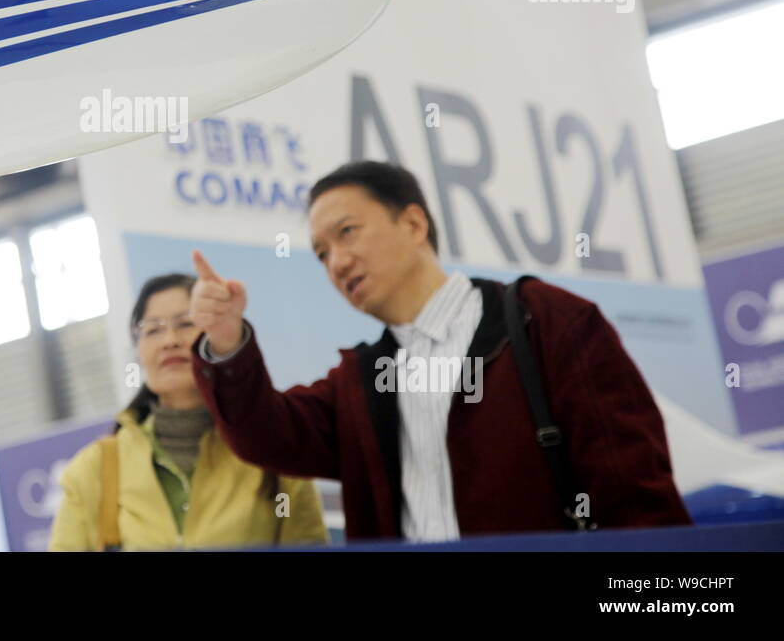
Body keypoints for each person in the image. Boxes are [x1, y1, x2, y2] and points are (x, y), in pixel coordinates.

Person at [189, 160, 692, 541]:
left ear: (413, 224)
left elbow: (638, 501)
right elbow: (267, 436)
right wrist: (227, 342)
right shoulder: (361, 380)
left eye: (347, 233)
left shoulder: (546, 321)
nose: (337, 262)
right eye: (321, 254)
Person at [48, 272, 328, 550]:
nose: (170, 340)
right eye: (153, 329)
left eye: (186, 323)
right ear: (138, 353)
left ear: (217, 337)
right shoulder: (94, 469)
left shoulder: (275, 451)